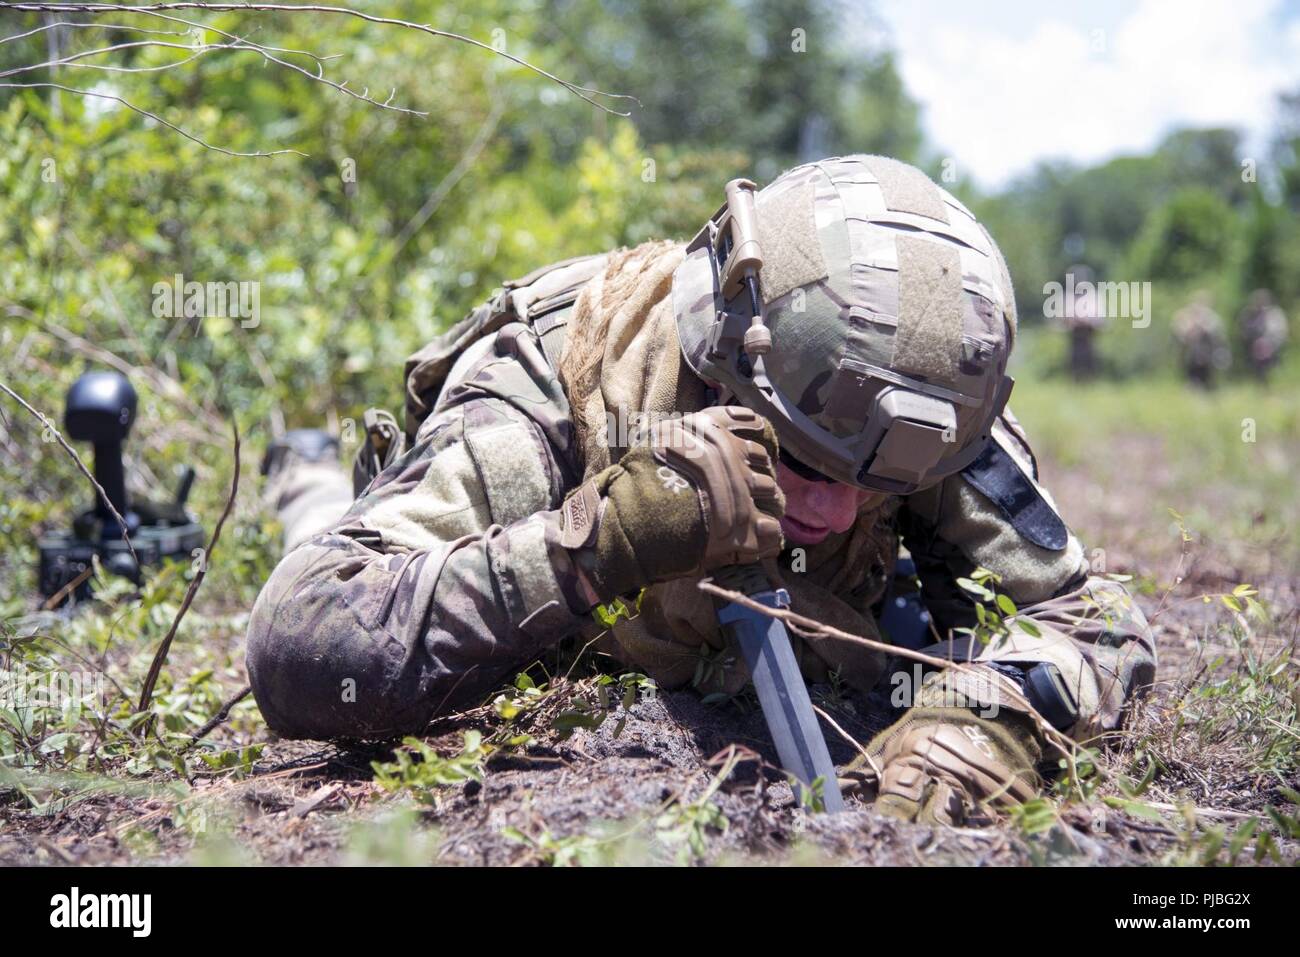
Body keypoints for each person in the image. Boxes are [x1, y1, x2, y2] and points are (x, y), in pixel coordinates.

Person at [245, 155, 1155, 825]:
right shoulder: (549, 392)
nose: (837, 509)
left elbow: (1094, 615)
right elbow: (299, 640)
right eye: (803, 464)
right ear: (717, 370)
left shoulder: (902, 409)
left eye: (870, 490)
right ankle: (305, 468)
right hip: (492, 532)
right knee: (324, 521)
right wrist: (599, 543)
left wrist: (981, 727)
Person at [1172, 291, 1230, 388]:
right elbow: (1180, 333)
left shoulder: (1213, 318)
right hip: (1191, 356)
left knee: (1208, 381)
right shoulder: (1186, 317)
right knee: (1193, 379)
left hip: (1209, 355)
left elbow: (1218, 336)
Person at [1237, 289, 1289, 381]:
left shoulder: (1275, 313)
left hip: (1273, 342)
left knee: (1264, 349)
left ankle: (1272, 374)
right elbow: (1244, 330)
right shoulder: (1250, 314)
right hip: (1255, 345)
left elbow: (1281, 331)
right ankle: (1260, 377)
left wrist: (1269, 340)